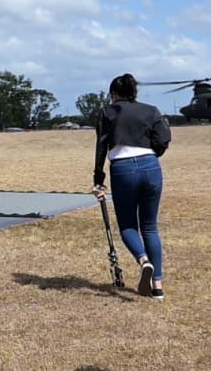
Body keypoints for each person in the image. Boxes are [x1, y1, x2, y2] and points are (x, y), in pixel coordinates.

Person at [92, 73, 171, 300]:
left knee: (128, 225)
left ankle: (143, 260)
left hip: (122, 167)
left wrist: (98, 178)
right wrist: (152, 154)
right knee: (150, 227)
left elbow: (101, 146)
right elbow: (163, 139)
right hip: (150, 164)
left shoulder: (108, 112)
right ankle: (158, 286)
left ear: (113, 94)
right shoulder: (151, 110)